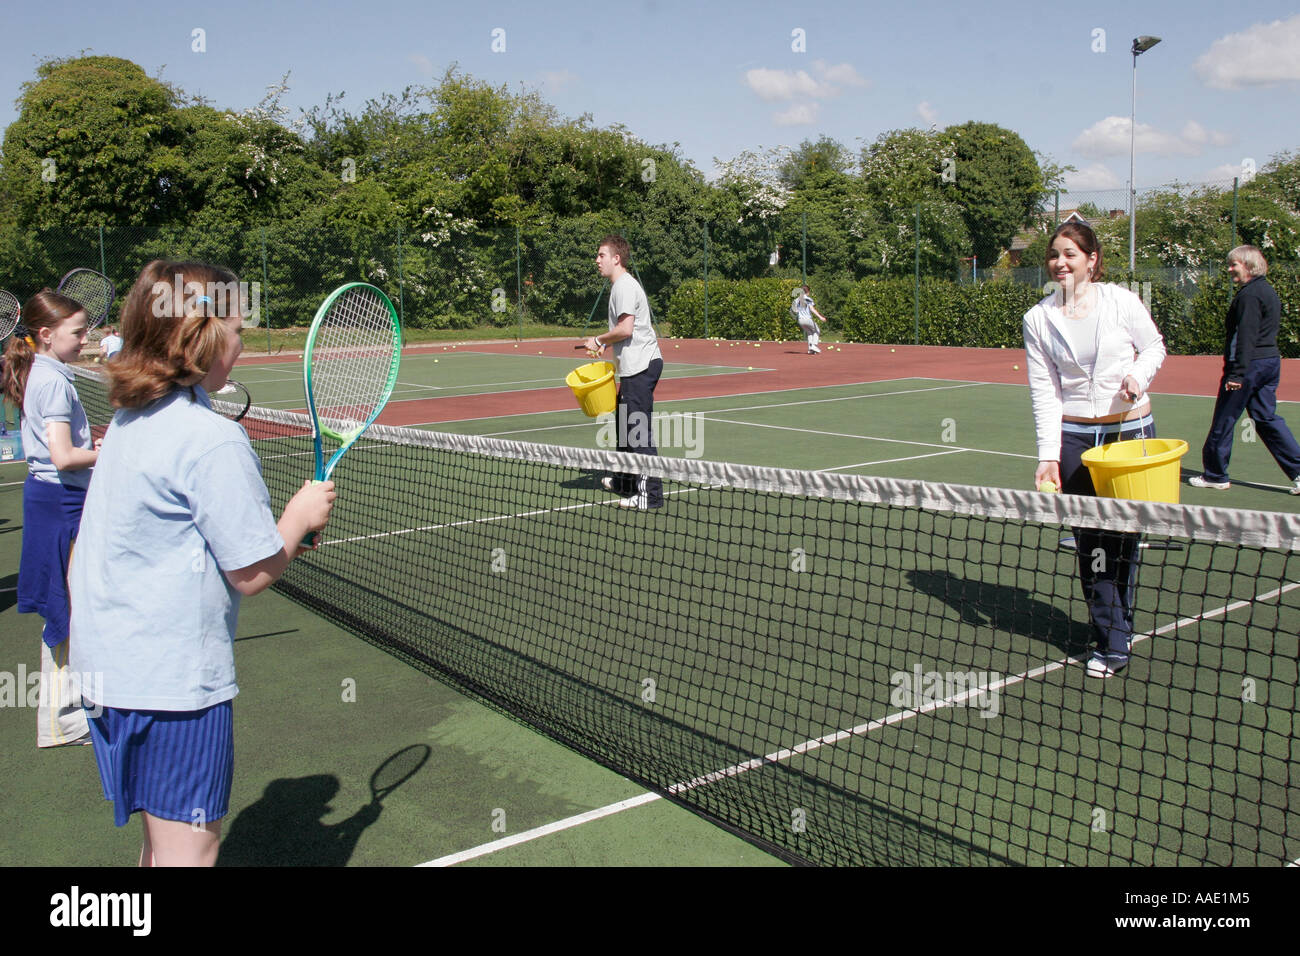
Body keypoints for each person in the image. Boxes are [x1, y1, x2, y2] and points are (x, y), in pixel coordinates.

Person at [68, 261, 336, 866]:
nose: (241, 343)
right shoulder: (210, 439)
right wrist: (297, 519)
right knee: (192, 850)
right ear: (202, 339)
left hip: (107, 674)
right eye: (236, 329)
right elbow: (252, 572)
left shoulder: (129, 423)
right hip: (172, 684)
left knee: (160, 844)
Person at [1022, 222, 1166, 678]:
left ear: (1092, 259)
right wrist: (1049, 453)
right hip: (1076, 441)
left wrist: (1136, 378)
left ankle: (1115, 626)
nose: (1060, 262)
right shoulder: (1037, 319)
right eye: (1054, 255)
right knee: (1090, 544)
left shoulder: (1123, 302)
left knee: (1124, 540)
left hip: (1130, 434)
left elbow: (1154, 347)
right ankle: (1112, 639)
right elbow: (1045, 391)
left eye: (1070, 254)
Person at [3, 290, 100, 746]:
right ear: (46, 334)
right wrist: (105, 451)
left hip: (50, 499)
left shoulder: (40, 372)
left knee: (66, 608)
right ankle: (69, 717)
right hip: (61, 501)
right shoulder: (53, 380)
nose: (85, 339)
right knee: (69, 610)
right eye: (77, 332)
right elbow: (63, 457)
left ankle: (61, 719)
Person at [1189, 246, 1300, 495]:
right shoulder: (1267, 291)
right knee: (1266, 418)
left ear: (1248, 266)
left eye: (1234, 265)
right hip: (1270, 363)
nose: (1229, 269)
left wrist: (1237, 374)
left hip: (1250, 366)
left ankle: (1215, 475)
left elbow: (1246, 336)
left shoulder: (1249, 296)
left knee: (1225, 419)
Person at [583, 235, 663, 510]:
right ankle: (625, 482)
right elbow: (625, 332)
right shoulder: (618, 286)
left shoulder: (624, 287)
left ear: (616, 258)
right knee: (625, 428)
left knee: (638, 431)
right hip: (632, 367)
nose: (597, 260)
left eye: (601, 255)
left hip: (642, 366)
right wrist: (607, 343)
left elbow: (626, 329)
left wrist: (599, 340)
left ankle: (649, 495)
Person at [791, 285, 828, 354]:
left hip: (800, 320)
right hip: (807, 319)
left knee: (810, 333)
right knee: (817, 330)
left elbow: (793, 310)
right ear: (807, 292)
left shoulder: (796, 300)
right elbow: (812, 309)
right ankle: (813, 346)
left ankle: (810, 349)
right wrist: (820, 317)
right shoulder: (808, 299)